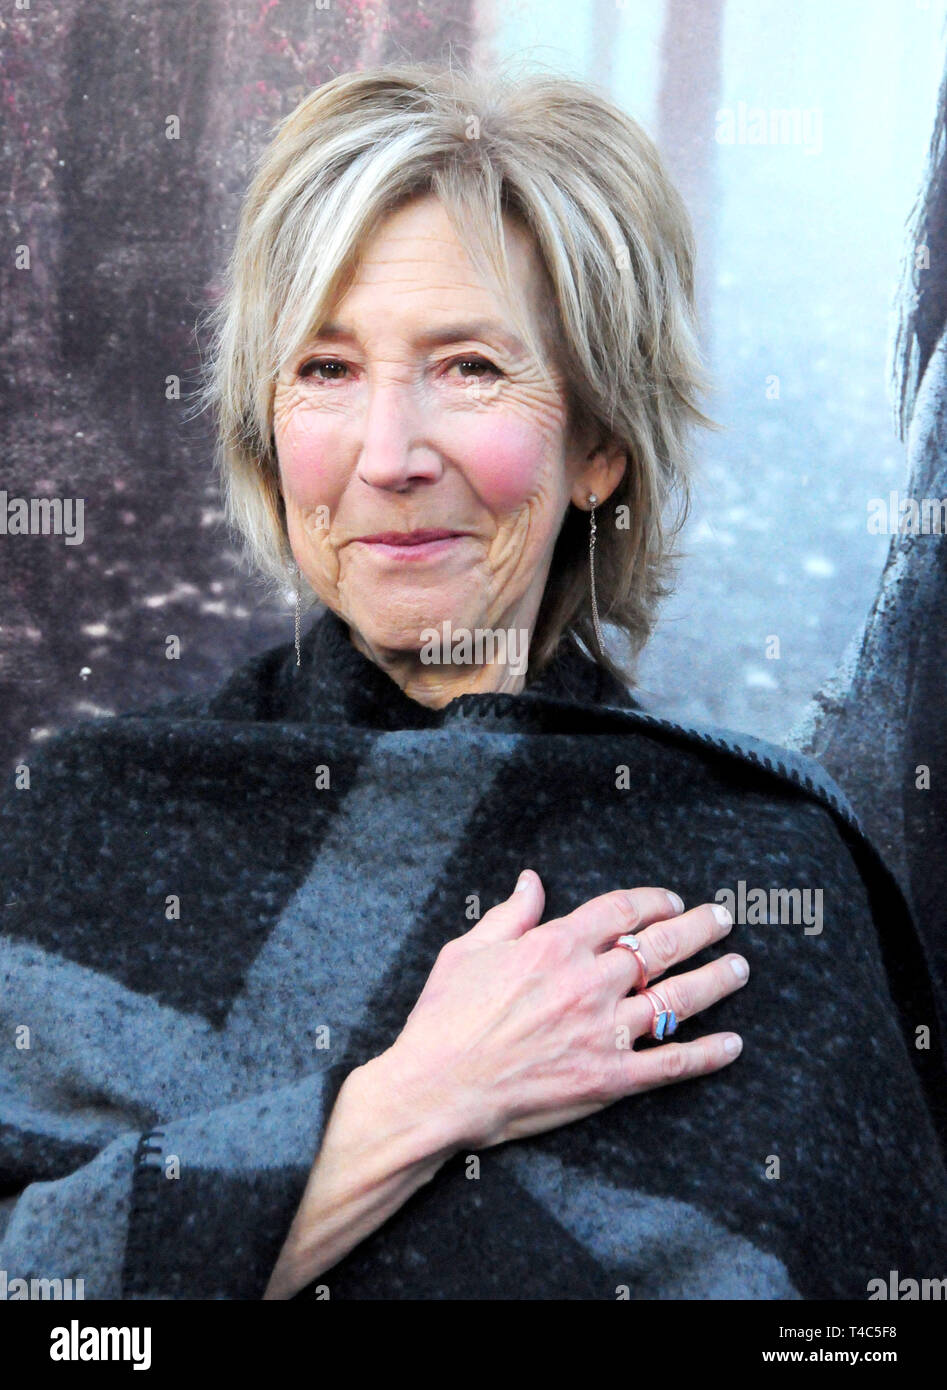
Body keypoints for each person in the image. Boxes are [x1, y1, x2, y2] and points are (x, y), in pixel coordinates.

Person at [2, 61, 946, 1302]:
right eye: (327, 370)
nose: (388, 456)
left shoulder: (764, 878)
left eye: (468, 368)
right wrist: (420, 1098)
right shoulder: (86, 820)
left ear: (598, 444)